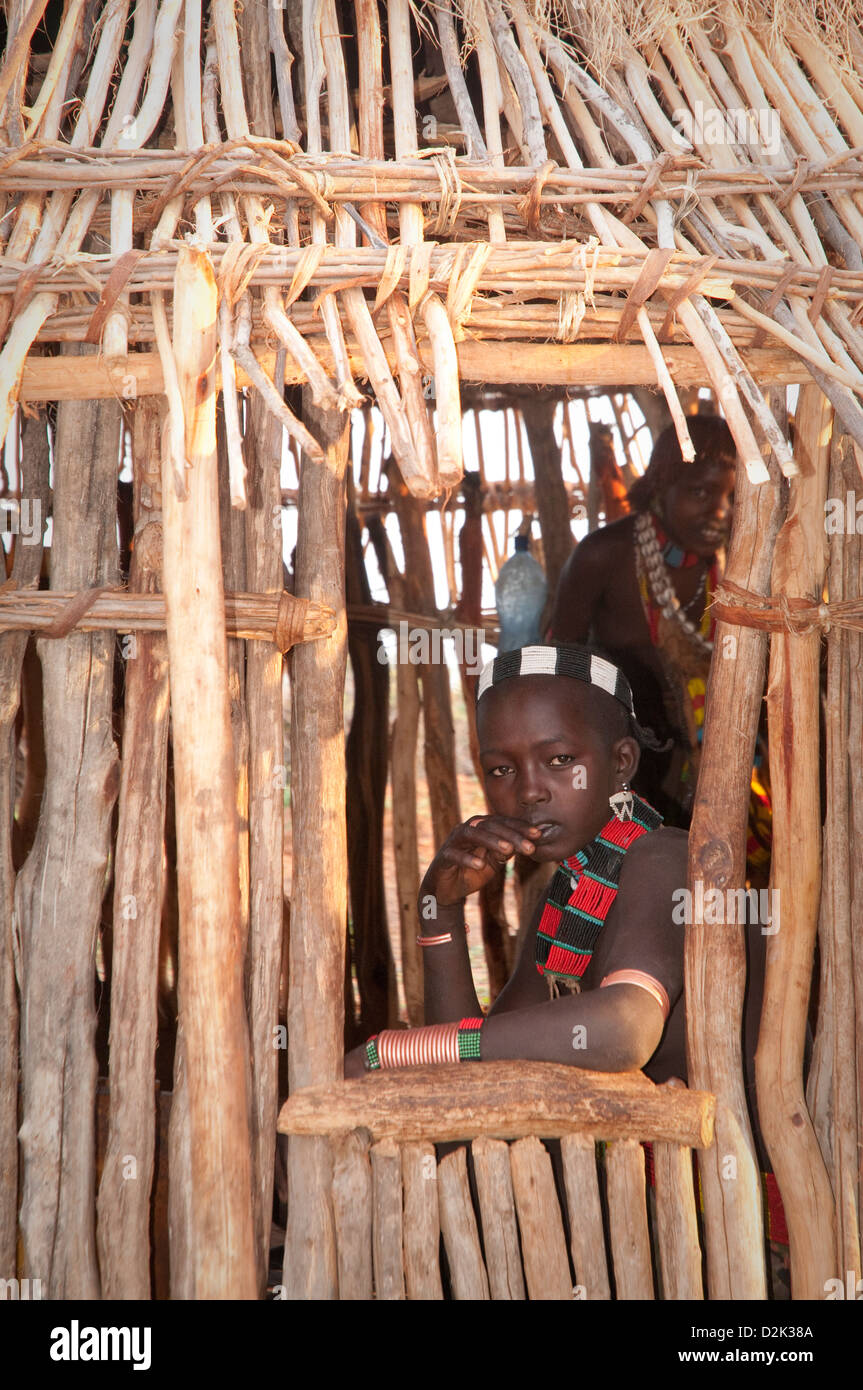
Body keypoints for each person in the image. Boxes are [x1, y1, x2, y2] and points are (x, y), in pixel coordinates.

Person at [344, 643, 688, 1081]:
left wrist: (393, 1051)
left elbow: (623, 1027)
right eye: (502, 770)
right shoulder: (569, 898)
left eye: (560, 760)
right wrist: (440, 911)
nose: (528, 792)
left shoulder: (666, 859)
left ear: (621, 762)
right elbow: (476, 1077)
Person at [549, 414, 736, 826]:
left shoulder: (744, 565)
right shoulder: (604, 556)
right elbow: (556, 670)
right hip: (629, 768)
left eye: (732, 497)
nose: (720, 511)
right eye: (700, 491)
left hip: (727, 754)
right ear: (660, 487)